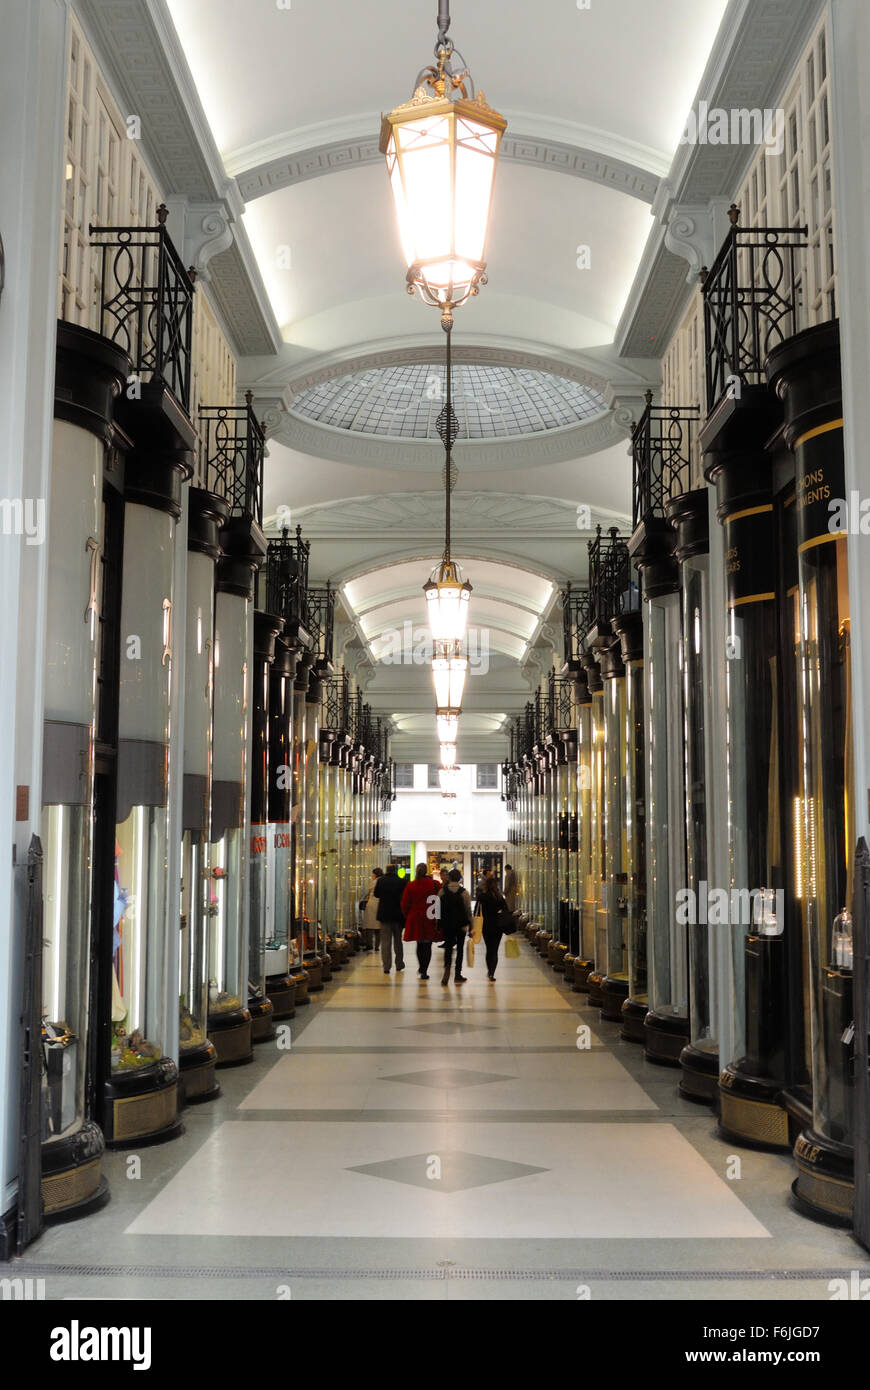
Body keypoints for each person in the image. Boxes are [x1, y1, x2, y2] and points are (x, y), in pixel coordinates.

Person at [400, 863, 443, 979]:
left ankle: (421, 967)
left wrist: (407, 916)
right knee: (427, 945)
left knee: (419, 943)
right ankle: (424, 970)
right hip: (430, 917)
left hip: (416, 918)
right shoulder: (435, 884)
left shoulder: (411, 885)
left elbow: (404, 904)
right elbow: (439, 901)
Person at [438, 868, 473, 985]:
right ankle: (458, 973)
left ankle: (447, 968)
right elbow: (468, 910)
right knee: (460, 949)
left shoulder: (442, 891)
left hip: (447, 924)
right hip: (461, 925)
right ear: (459, 879)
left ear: (449, 878)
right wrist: (471, 925)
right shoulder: (464, 892)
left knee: (448, 948)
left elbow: (437, 908)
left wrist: (438, 923)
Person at [475, 874, 510, 981]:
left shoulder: (482, 897)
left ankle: (489, 970)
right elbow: (506, 911)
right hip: (497, 926)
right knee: (494, 950)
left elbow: (476, 911)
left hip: (486, 926)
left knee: (488, 949)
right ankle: (492, 973)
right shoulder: (499, 898)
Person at [373, 863, 405, 974]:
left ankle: (386, 966)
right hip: (398, 915)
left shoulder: (381, 881)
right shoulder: (401, 881)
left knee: (385, 942)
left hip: (385, 915)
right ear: (395, 870)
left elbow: (376, 894)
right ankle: (399, 963)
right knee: (398, 941)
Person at [361, 867, 383, 951]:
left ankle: (369, 944)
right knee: (378, 927)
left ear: (375, 874)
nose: (371, 875)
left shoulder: (373, 882)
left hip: (371, 905)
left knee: (369, 927)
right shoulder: (382, 881)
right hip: (380, 905)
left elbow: (367, 893)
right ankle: (377, 946)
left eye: (372, 874)